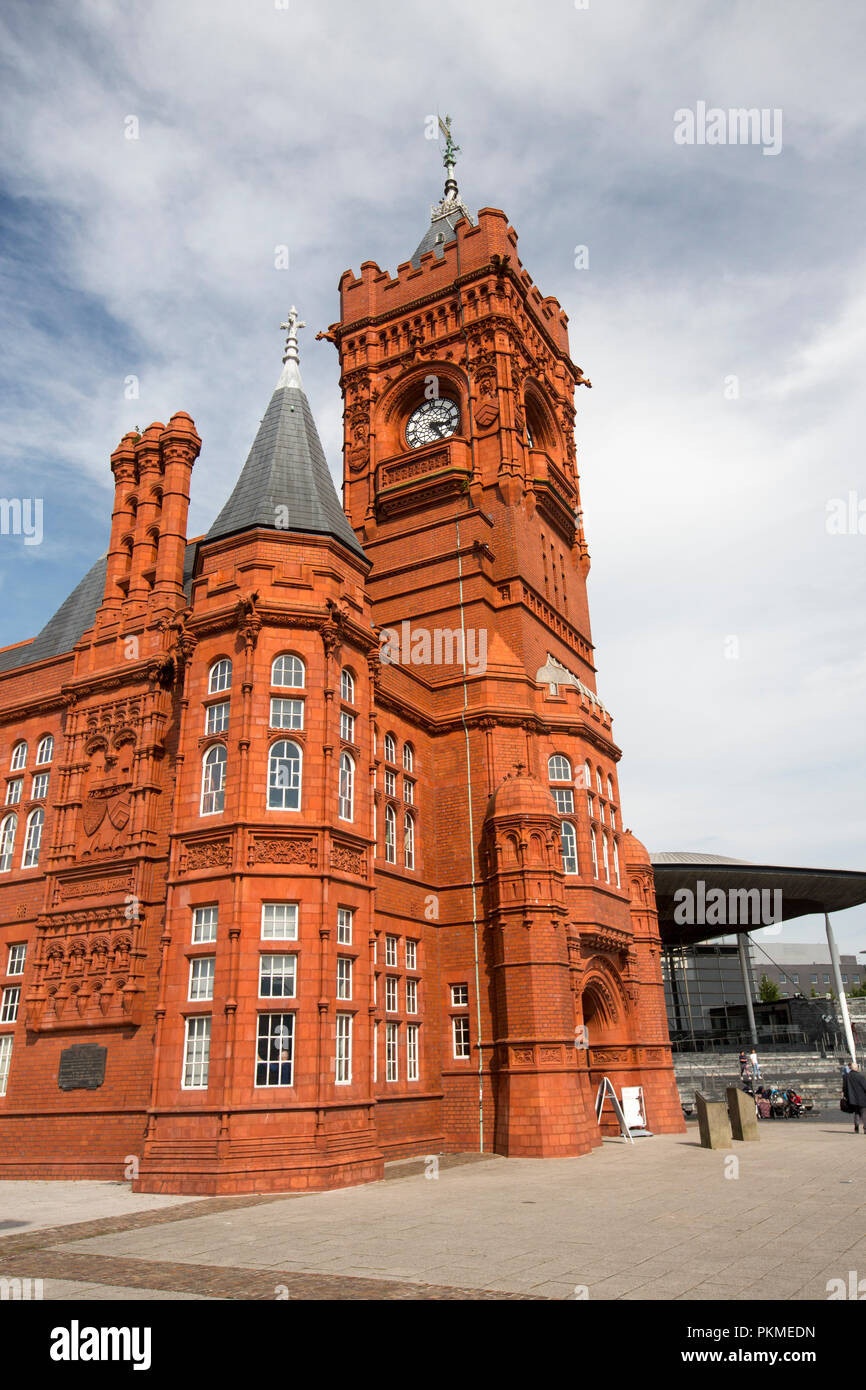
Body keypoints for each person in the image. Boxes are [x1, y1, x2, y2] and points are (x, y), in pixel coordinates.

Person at [842, 1061, 866, 1133]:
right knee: (864, 1113)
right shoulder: (860, 1076)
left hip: (852, 1098)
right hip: (862, 1098)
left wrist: (846, 1096)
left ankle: (856, 1127)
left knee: (857, 1112)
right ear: (857, 1068)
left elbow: (845, 1088)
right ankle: (865, 1128)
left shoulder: (846, 1076)